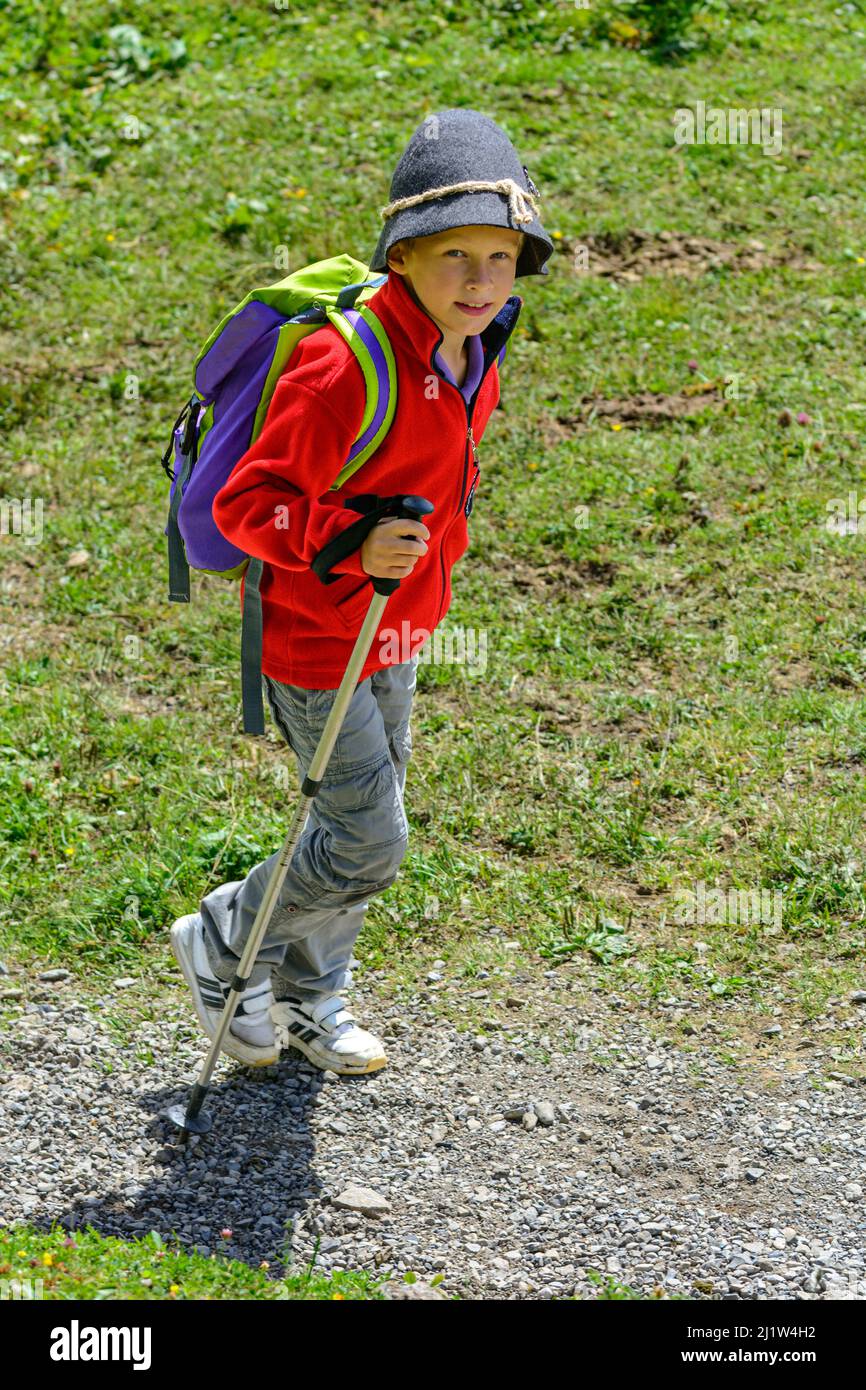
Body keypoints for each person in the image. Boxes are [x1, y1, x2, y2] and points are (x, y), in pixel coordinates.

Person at [170, 107, 553, 1075]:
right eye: (453, 255)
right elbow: (243, 503)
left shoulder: (474, 349)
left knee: (358, 822)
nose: (479, 280)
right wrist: (346, 535)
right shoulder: (343, 362)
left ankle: (310, 1001)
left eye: (499, 256)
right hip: (314, 638)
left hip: (399, 624)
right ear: (403, 256)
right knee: (364, 840)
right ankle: (225, 934)